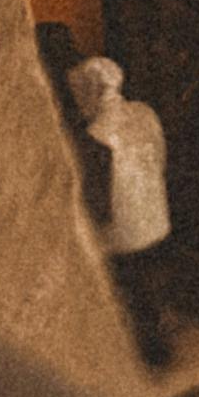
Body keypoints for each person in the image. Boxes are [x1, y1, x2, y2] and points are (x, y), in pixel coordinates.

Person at [69, 52, 175, 368]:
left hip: (124, 232)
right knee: (152, 287)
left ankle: (146, 354)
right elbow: (160, 157)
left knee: (132, 294)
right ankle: (162, 341)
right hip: (156, 216)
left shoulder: (95, 136)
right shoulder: (145, 113)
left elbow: (98, 199)